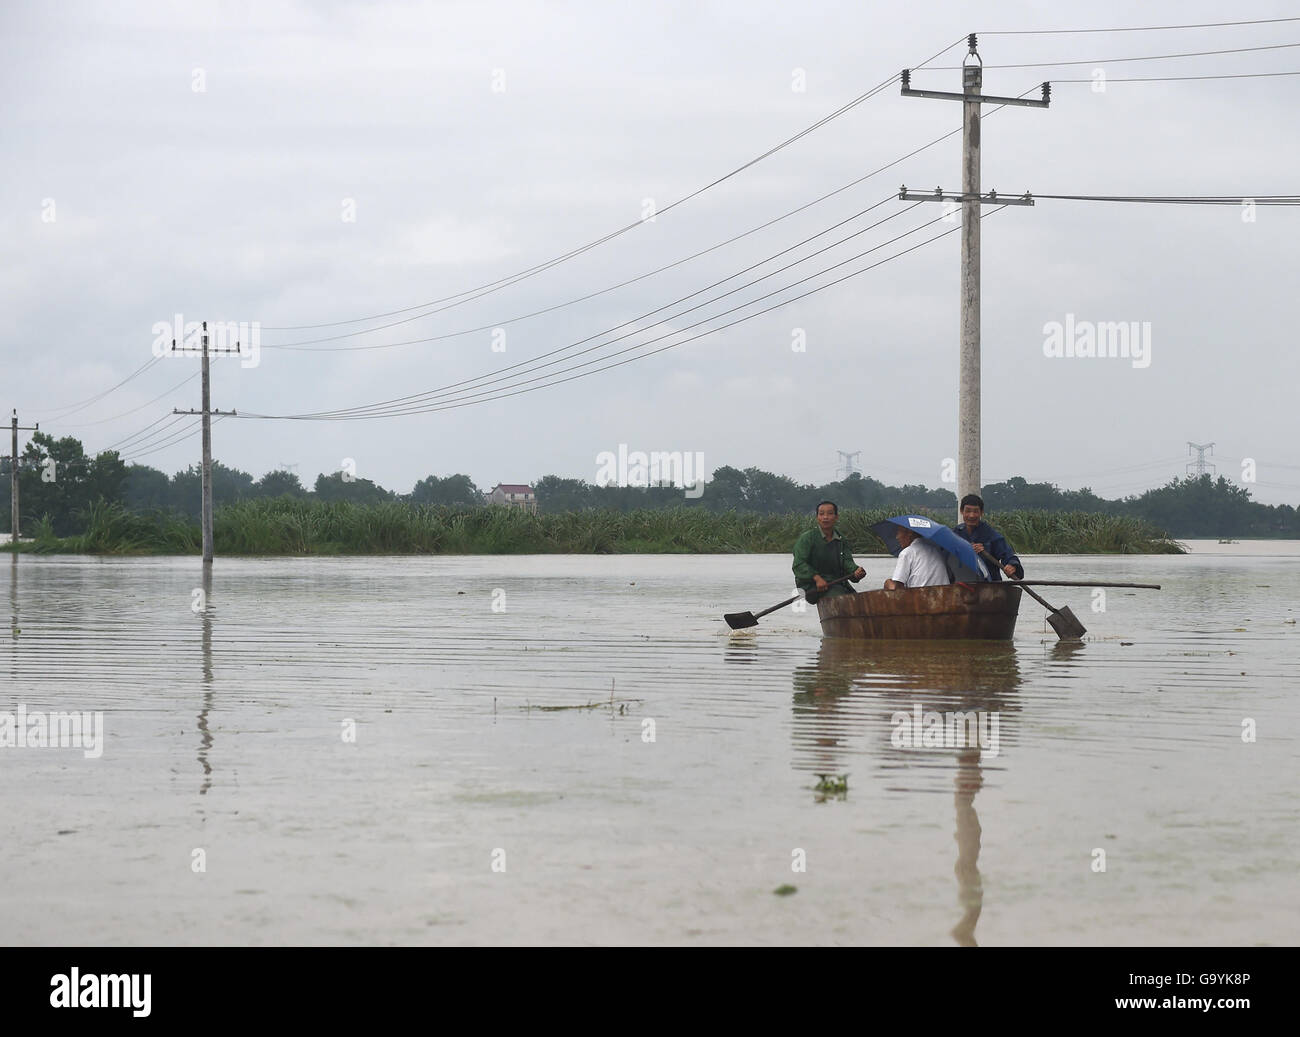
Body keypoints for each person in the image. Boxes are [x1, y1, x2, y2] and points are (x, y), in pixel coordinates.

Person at [792, 500, 866, 602]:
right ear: (817, 517)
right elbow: (799, 564)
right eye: (821, 514)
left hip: (836, 584)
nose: (825, 517)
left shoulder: (841, 539)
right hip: (812, 587)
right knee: (841, 599)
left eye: (830, 514)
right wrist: (817, 578)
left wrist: (856, 571)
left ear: (836, 517)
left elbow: (847, 562)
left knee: (861, 601)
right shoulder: (807, 538)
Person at [952, 494, 1023, 581]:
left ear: (981, 512)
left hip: (990, 587)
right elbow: (946, 556)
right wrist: (965, 550)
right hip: (962, 584)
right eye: (968, 511)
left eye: (975, 511)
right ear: (961, 511)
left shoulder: (991, 535)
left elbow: (1008, 555)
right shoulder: (955, 533)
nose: (971, 515)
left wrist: (1012, 566)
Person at [883, 526, 952, 589]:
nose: (897, 537)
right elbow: (950, 577)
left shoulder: (907, 553)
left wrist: (888, 584)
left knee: (888, 583)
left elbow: (897, 588)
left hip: (919, 598)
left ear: (909, 533)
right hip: (942, 597)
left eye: (899, 532)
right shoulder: (937, 550)